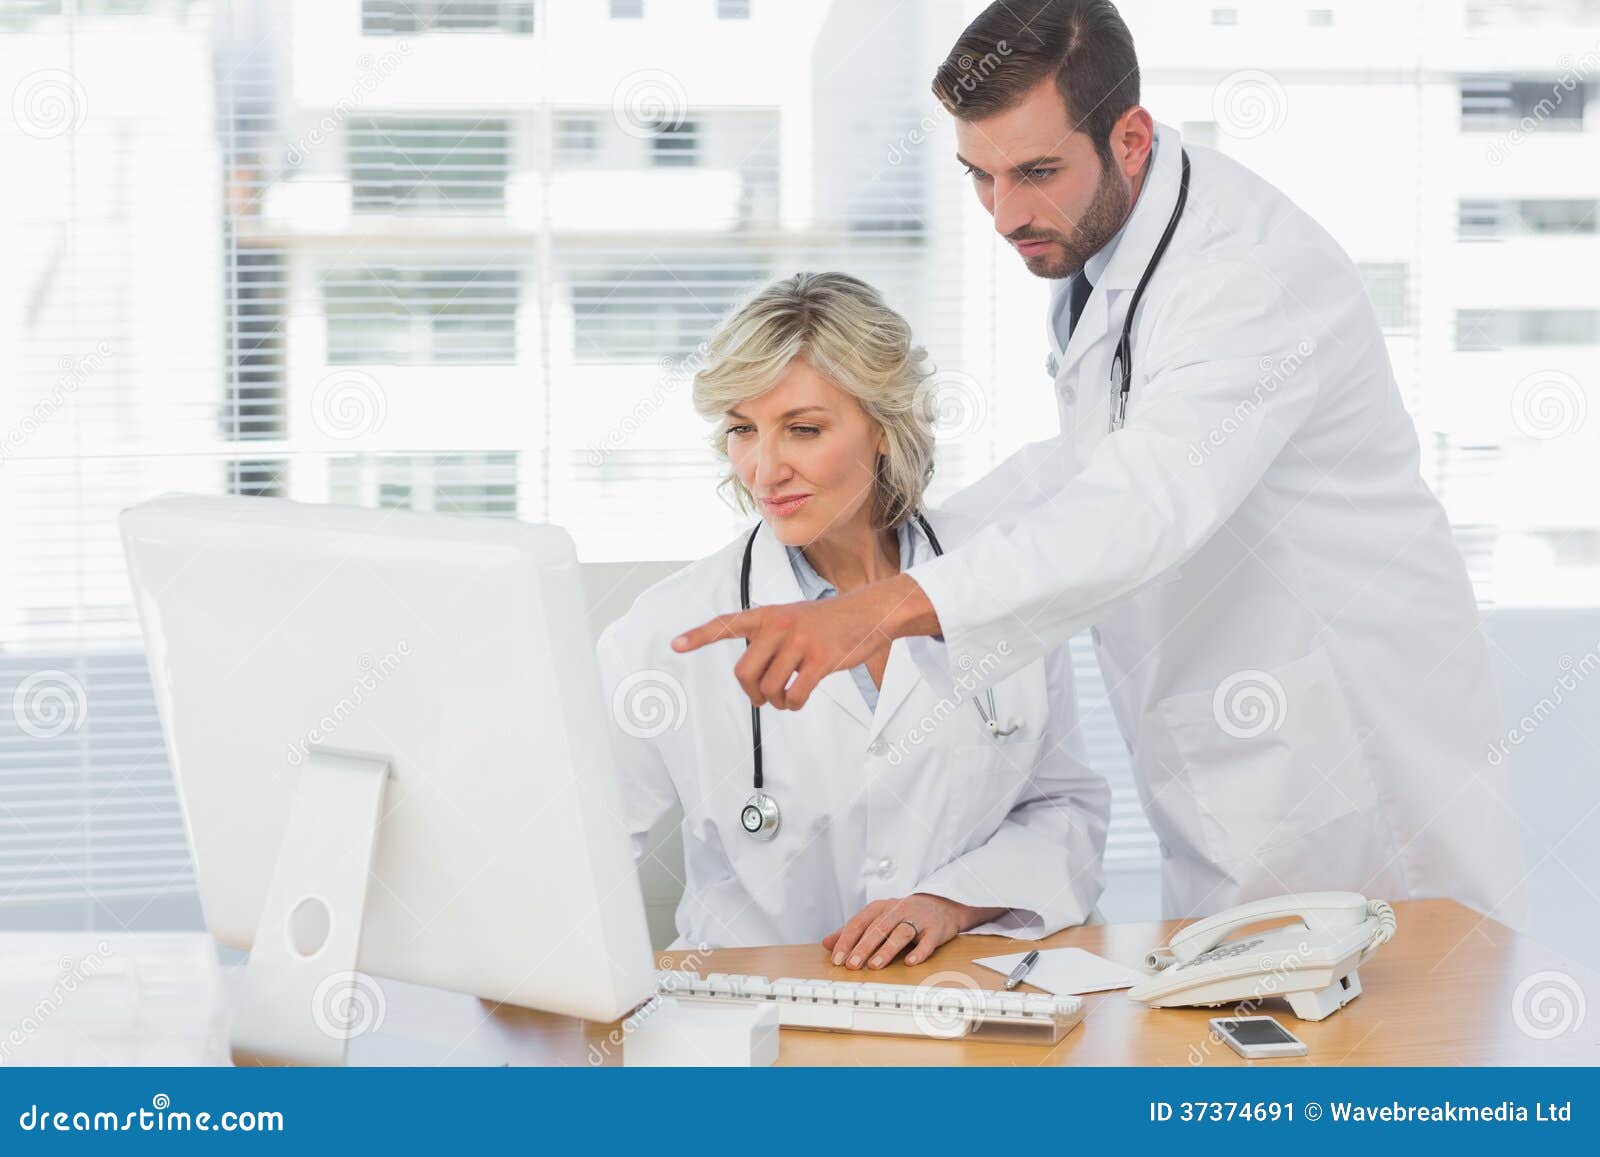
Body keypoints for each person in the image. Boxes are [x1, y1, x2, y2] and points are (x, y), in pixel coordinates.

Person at [673, 0, 1525, 924]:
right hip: (1232, 741)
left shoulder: (1245, 278)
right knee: (1244, 1030)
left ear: (1130, 137)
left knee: (1402, 1035)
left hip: (1351, 747)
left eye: (1036, 172)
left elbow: (1145, 496)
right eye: (980, 176)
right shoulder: (1101, 255)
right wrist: (903, 535)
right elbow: (1091, 461)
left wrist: (887, 607)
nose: (1005, 214)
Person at [597, 271, 1109, 966]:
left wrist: (950, 900)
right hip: (754, 1025)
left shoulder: (989, 582)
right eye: (743, 430)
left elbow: (1065, 812)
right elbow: (574, 855)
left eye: (803, 429)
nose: (764, 469)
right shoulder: (673, 629)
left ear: (883, 428)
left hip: (955, 1006)